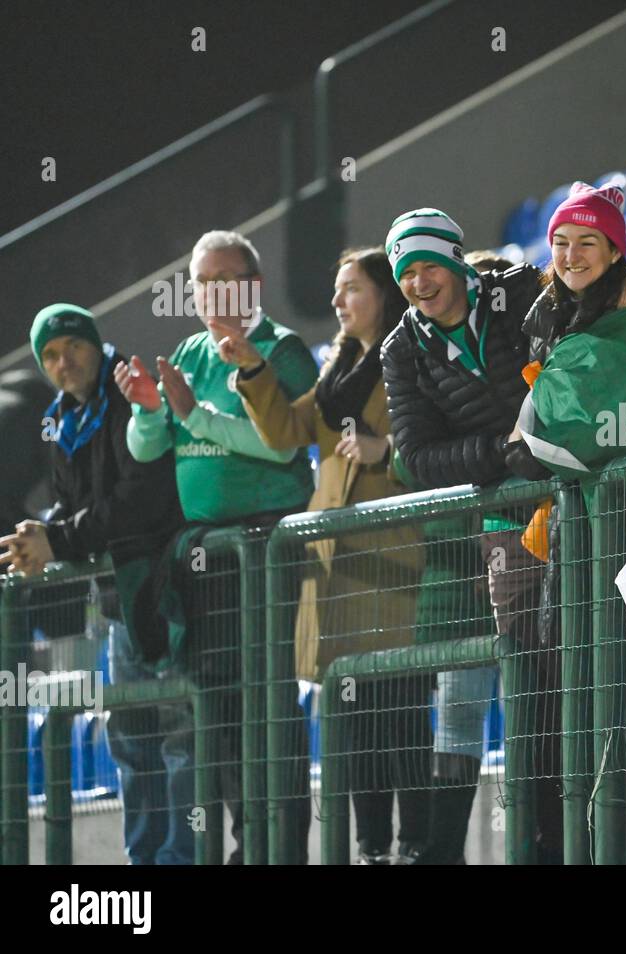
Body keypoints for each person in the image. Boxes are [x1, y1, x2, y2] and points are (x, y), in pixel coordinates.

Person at [381, 205, 626, 863]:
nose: (420, 283)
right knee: (531, 692)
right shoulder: (401, 348)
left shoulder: (515, 291)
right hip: (510, 526)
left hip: (588, 506)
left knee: (603, 668)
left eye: (430, 266)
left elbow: (589, 301)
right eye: (406, 273)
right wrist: (501, 451)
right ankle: (542, 845)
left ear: (456, 261)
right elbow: (416, 457)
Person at [219, 247, 431, 864]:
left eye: (350, 289)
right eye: (337, 291)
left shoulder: (410, 354)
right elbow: (286, 432)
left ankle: (414, 845)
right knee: (356, 717)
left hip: (390, 558)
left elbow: (431, 440)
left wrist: (384, 447)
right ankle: (369, 849)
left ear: (384, 295)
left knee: (400, 711)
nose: (337, 302)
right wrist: (255, 370)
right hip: (335, 566)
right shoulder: (340, 364)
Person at [114, 229, 317, 864]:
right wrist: (150, 410)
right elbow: (149, 447)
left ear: (253, 286)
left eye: (224, 279)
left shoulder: (281, 350)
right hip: (203, 560)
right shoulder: (190, 351)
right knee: (218, 718)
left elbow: (283, 445)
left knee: (267, 711)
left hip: (260, 554)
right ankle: (242, 849)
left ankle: (276, 851)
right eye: (201, 283)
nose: (210, 294)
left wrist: (194, 413)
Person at [508, 181, 626, 864]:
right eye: (561, 241)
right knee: (578, 682)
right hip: (573, 536)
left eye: (589, 241)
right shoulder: (542, 316)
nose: (572, 253)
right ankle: (586, 838)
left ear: (615, 249)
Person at [0, 304, 190, 865]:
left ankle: (181, 859)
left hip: (168, 590)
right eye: (51, 355)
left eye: (72, 348)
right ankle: (145, 861)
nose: (64, 362)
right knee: (131, 740)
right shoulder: (60, 416)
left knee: (179, 735)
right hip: (117, 601)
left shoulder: (130, 389)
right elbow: (78, 503)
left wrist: (57, 540)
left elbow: (140, 502)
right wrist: (37, 536)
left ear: (94, 343)